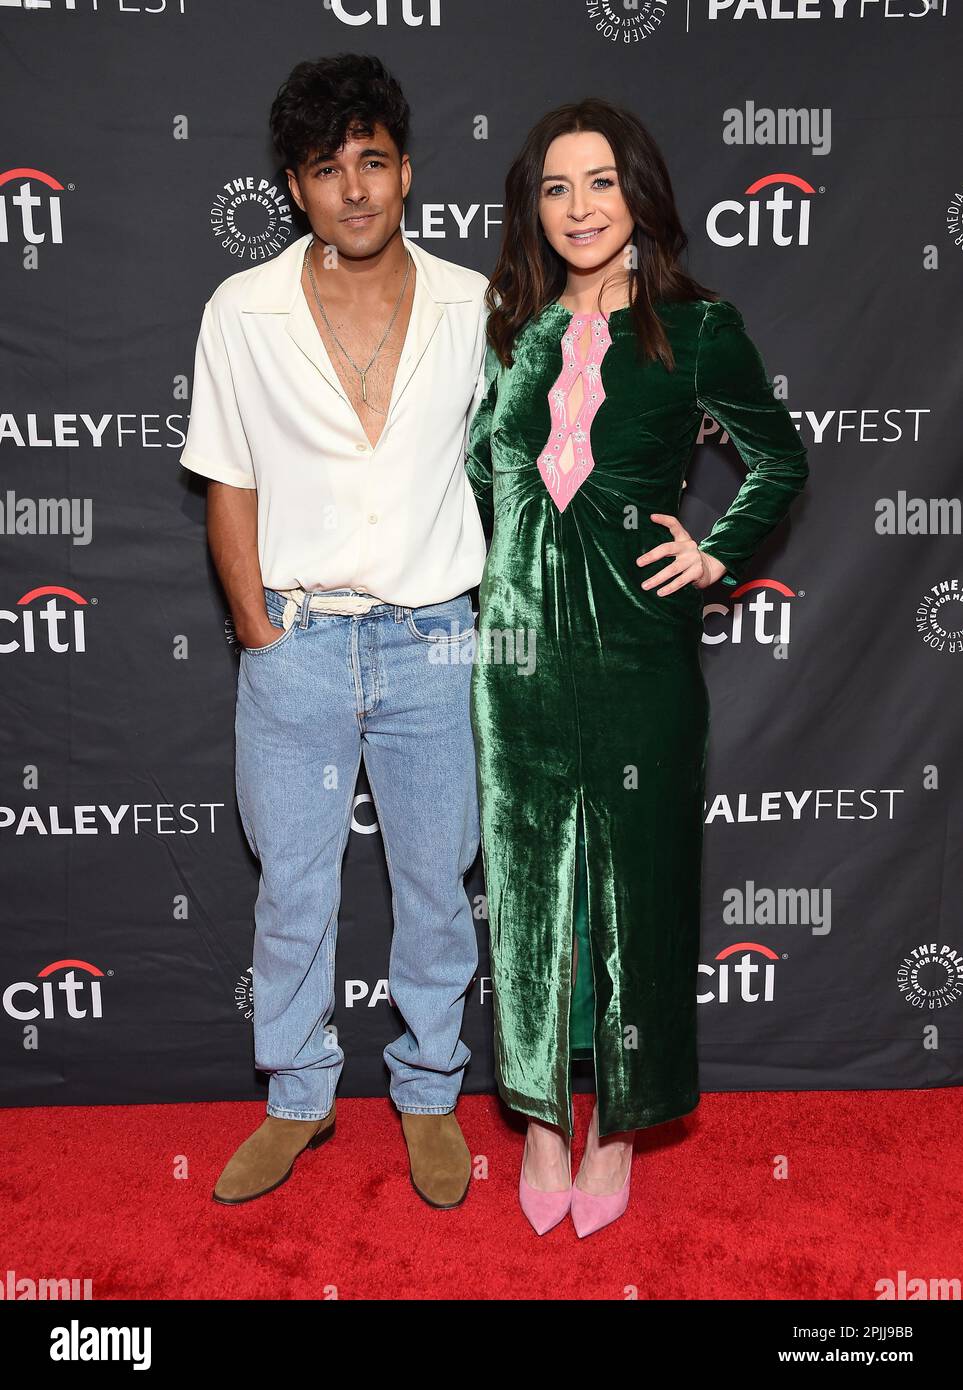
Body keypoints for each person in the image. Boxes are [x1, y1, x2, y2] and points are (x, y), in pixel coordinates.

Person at [465, 99, 809, 1238]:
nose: (578, 208)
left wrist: (712, 553)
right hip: (516, 668)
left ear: (639, 194)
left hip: (637, 658)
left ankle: (617, 1124)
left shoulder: (696, 327)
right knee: (525, 901)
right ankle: (544, 1122)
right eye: (556, 188)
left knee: (637, 896)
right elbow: (482, 471)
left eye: (599, 182)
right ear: (534, 207)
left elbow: (777, 456)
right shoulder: (510, 329)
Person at [180, 53, 491, 1209]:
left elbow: (539, 448)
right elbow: (227, 481)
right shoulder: (242, 311)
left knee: (434, 876)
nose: (354, 189)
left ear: (406, 170)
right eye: (327, 169)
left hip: (433, 641)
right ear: (296, 187)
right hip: (298, 642)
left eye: (372, 161)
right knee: (294, 883)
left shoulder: (474, 302)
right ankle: (298, 1096)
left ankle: (427, 1094)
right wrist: (259, 631)